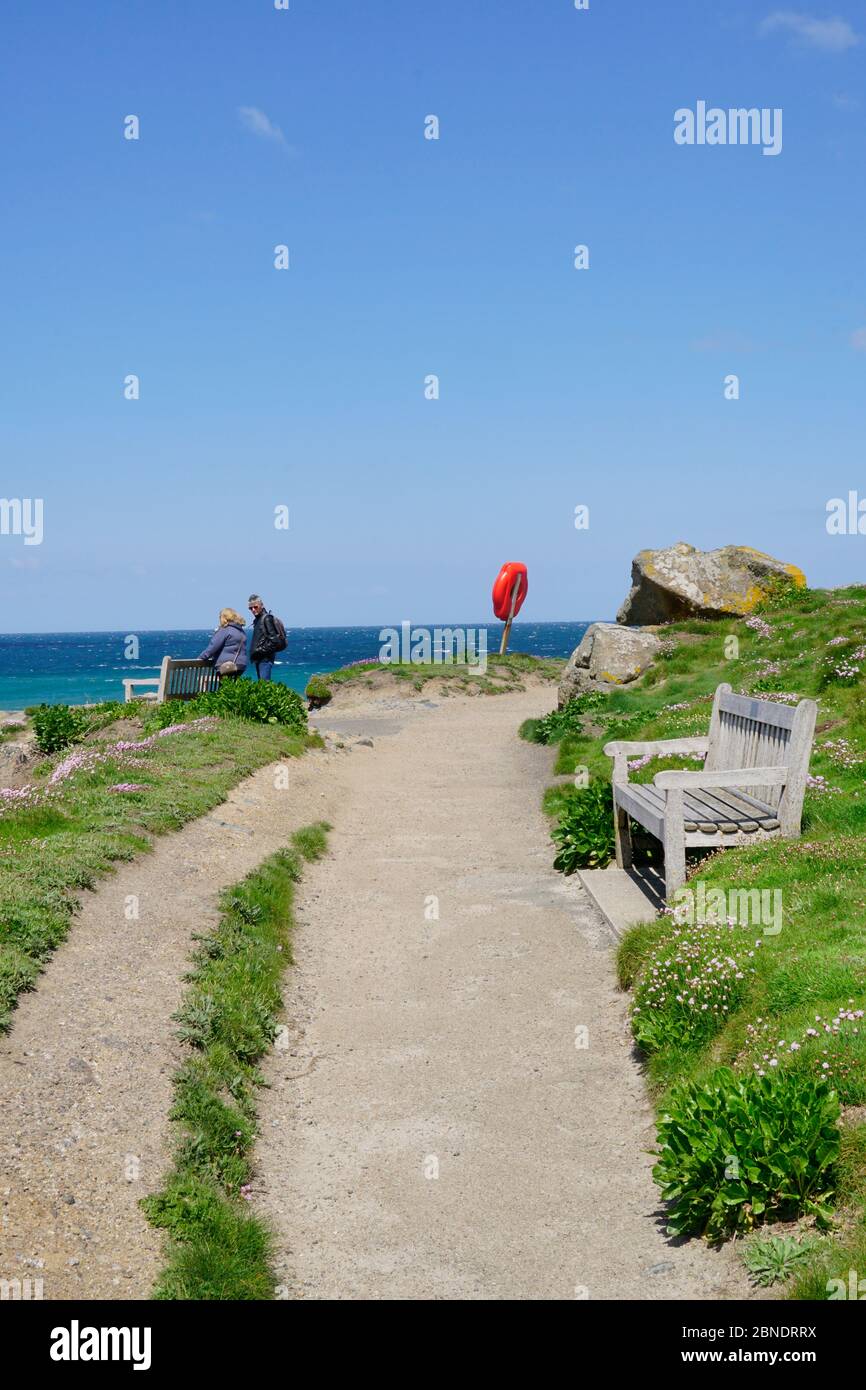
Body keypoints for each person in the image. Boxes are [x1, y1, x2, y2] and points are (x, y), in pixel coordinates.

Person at [198, 609, 248, 680]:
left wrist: (200, 658)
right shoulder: (241, 631)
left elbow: (213, 647)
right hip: (241, 665)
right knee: (233, 687)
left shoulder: (225, 630)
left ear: (224, 618)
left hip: (227, 666)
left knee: (224, 688)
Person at [248, 594, 284, 681]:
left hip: (265, 659)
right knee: (262, 686)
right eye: (250, 608)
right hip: (260, 659)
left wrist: (259, 650)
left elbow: (274, 641)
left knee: (264, 687)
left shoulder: (267, 619)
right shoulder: (257, 620)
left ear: (261, 605)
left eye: (255, 607)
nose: (253, 610)